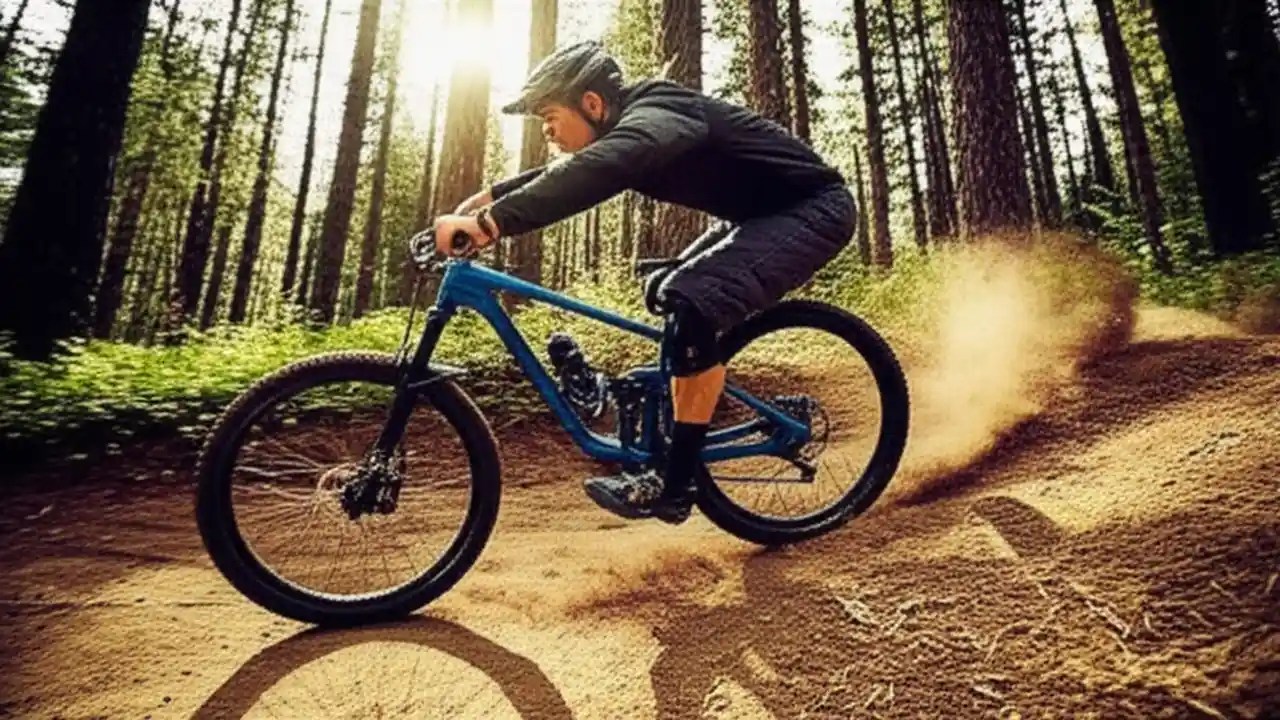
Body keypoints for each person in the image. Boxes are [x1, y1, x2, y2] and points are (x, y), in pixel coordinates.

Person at [432, 40, 855, 525]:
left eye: (550, 116)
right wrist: (487, 198)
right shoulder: (627, 128)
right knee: (664, 292)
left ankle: (676, 485)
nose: (546, 131)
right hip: (758, 217)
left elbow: (607, 164)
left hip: (814, 208)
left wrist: (491, 223)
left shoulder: (659, 111)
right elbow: (574, 166)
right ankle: (651, 419)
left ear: (592, 104)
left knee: (691, 298)